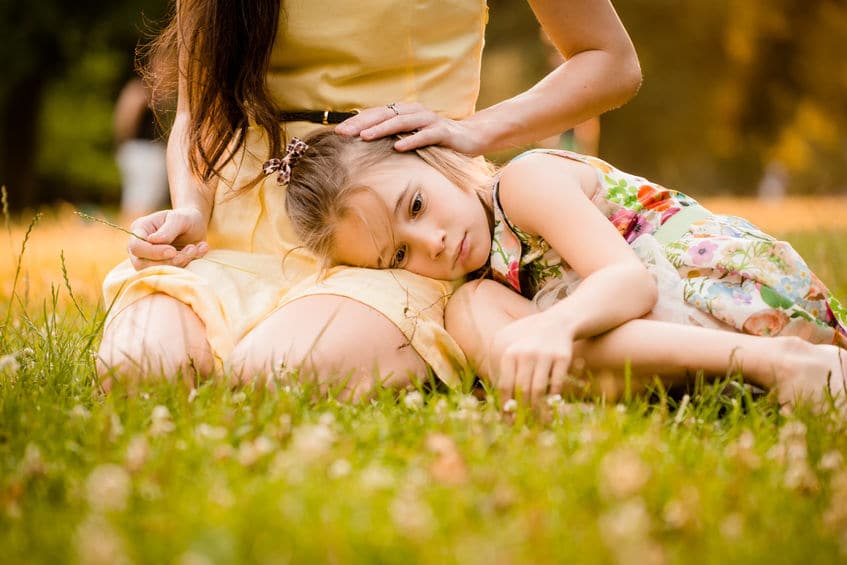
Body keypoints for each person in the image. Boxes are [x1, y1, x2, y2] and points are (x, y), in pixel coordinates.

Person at [96, 0, 643, 397]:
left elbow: (609, 60)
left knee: (270, 377)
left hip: (399, 231)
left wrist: (475, 130)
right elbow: (200, 111)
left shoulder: (430, 234)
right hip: (233, 223)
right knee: (137, 372)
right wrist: (192, 207)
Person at [282, 130, 847, 409]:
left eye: (416, 205)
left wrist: (553, 325)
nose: (433, 243)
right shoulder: (480, 283)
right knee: (477, 315)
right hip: (686, 336)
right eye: (400, 256)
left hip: (729, 292)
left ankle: (785, 363)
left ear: (435, 159)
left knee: (506, 322)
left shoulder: (523, 183)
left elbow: (629, 282)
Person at [113, 77, 169, 220]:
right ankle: (131, 227)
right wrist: (125, 143)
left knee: (146, 198)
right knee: (140, 199)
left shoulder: (152, 92)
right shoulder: (139, 89)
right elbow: (125, 120)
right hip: (142, 150)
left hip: (146, 150)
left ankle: (133, 227)